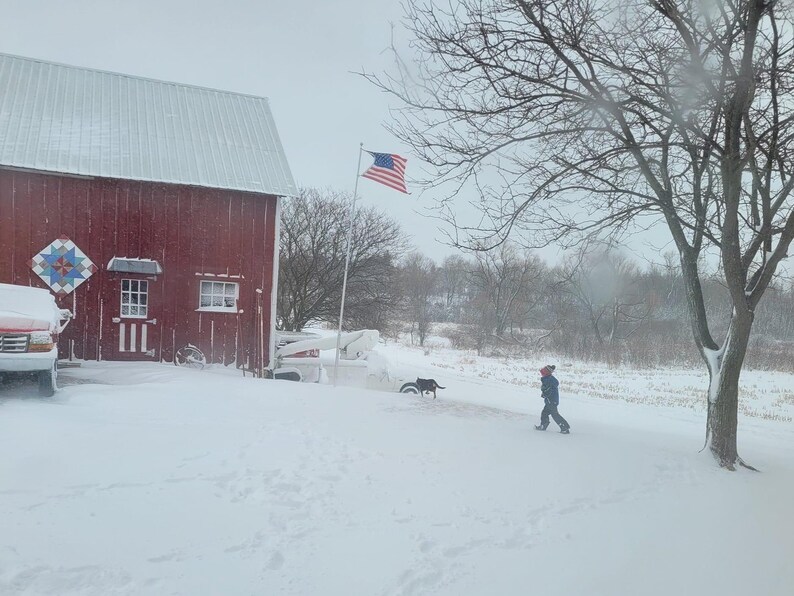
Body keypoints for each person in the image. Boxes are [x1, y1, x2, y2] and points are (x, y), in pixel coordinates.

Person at [534, 365, 571, 434]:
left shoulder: (549, 380)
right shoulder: (548, 378)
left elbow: (549, 390)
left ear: (546, 373)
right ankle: (543, 425)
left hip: (551, 401)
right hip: (550, 401)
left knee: (555, 415)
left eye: (543, 373)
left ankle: (564, 428)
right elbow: (547, 389)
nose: (542, 374)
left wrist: (545, 394)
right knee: (544, 413)